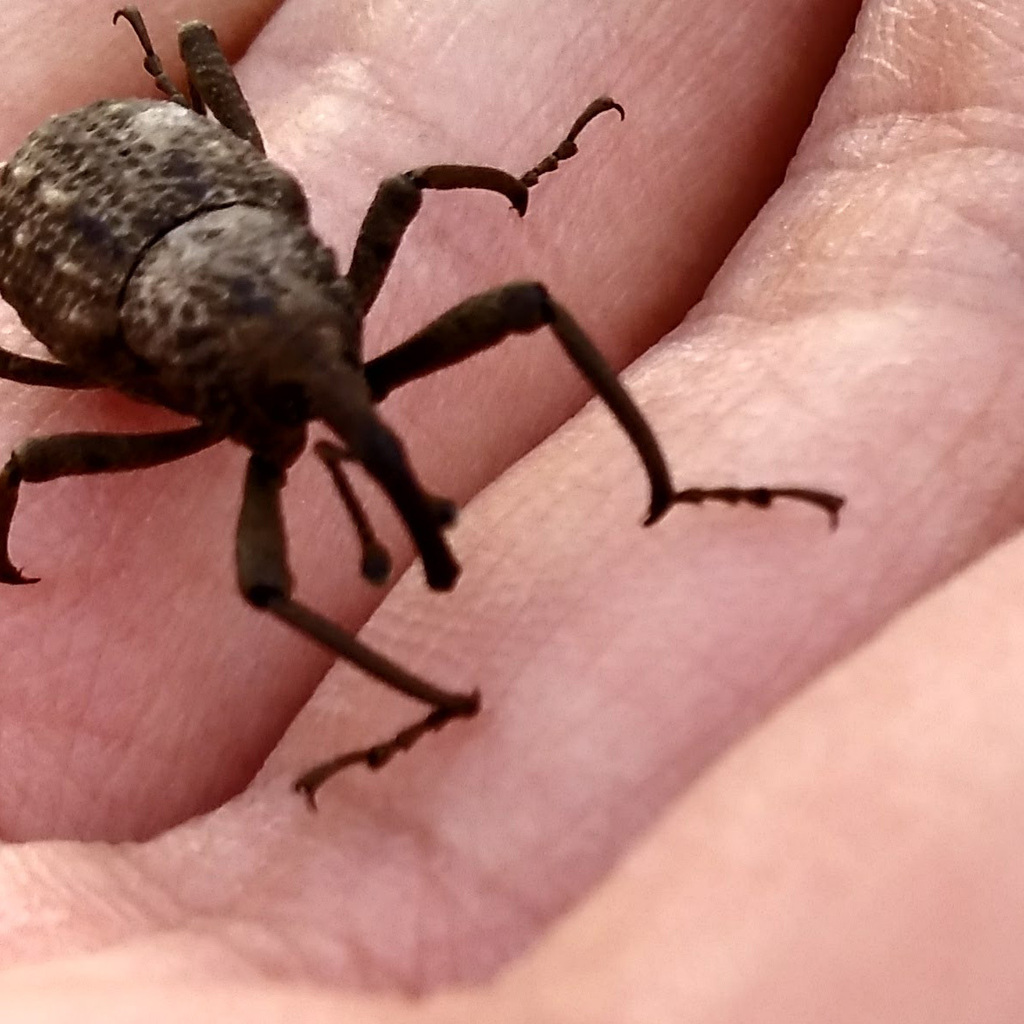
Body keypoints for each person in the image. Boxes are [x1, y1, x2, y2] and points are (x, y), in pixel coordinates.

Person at [3, 0, 1021, 1017]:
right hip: (92, 239)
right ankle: (432, 699)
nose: (353, 420)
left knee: (519, 305)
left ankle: (670, 484)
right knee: (244, 573)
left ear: (329, 296)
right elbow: (32, 460)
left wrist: (510, 188)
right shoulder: (144, 360)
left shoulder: (309, 318)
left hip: (201, 209)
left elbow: (411, 195)